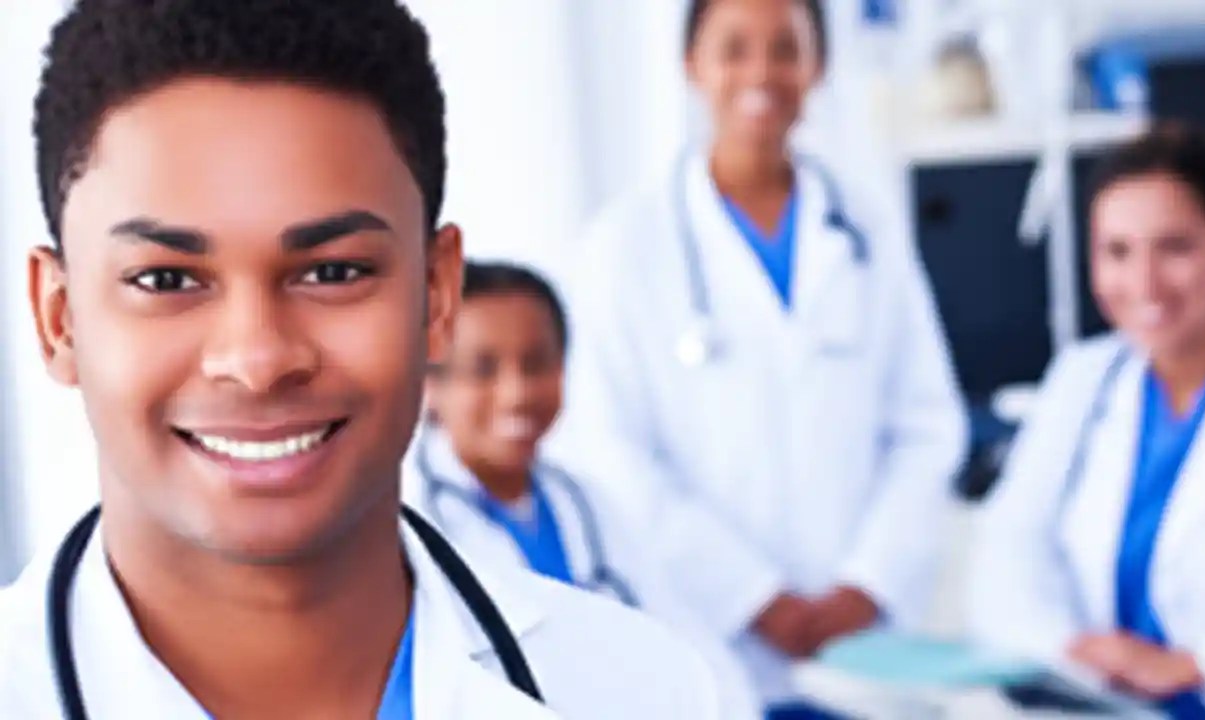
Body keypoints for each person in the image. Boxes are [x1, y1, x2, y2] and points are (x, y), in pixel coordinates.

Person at [0, 2, 724, 718]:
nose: (257, 360)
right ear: (57, 319)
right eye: (166, 280)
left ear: (438, 295)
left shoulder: (644, 690)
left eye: (333, 272)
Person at [553, 0, 967, 715]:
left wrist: (866, 586)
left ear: (819, 66)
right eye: (735, 48)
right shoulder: (625, 245)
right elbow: (614, 453)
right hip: (713, 640)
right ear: (692, 66)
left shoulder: (867, 228)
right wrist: (753, 598)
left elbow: (927, 426)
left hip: (865, 649)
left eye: (785, 49)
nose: (762, 72)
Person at [968, 125, 1205, 719]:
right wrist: (1072, 649)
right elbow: (1008, 552)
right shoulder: (1082, 379)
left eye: (1175, 248)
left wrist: (1198, 666)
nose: (1143, 283)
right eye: (1117, 251)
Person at [403, 260, 764, 717]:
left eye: (537, 363)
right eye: (483, 368)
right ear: (430, 384)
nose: (517, 392)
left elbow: (694, 649)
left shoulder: (587, 506)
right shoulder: (404, 524)